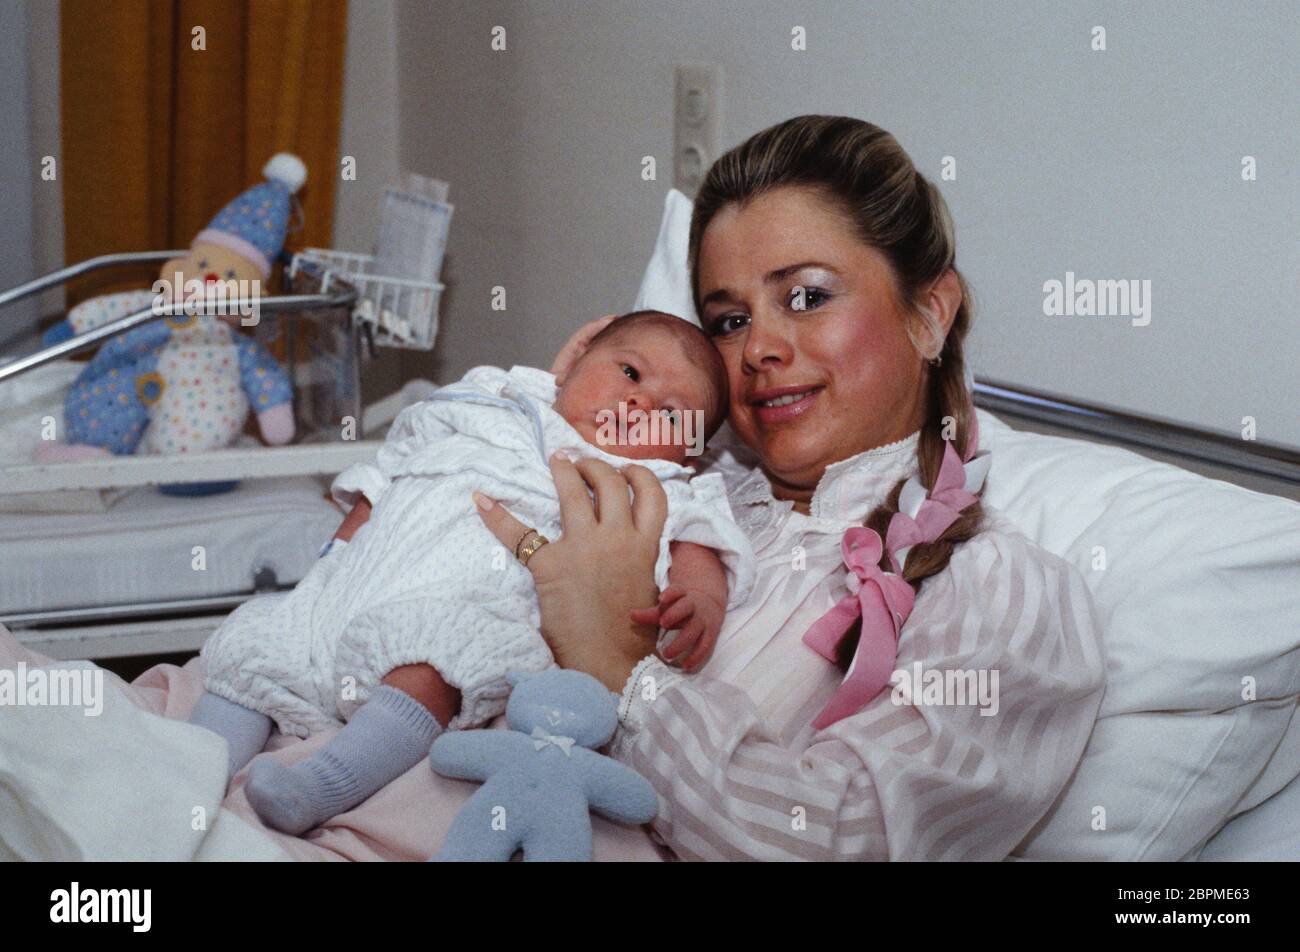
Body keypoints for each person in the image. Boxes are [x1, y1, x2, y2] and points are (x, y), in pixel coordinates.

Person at [187, 310, 755, 836]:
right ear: (573, 366)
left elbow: (701, 542)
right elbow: (394, 465)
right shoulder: (493, 397)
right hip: (355, 582)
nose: (638, 404)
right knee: (253, 643)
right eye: (629, 372)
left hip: (463, 605)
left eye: (672, 413)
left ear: (691, 452)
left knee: (434, 665)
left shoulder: (657, 482)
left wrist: (699, 597)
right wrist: (345, 542)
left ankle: (321, 785)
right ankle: (190, 774)